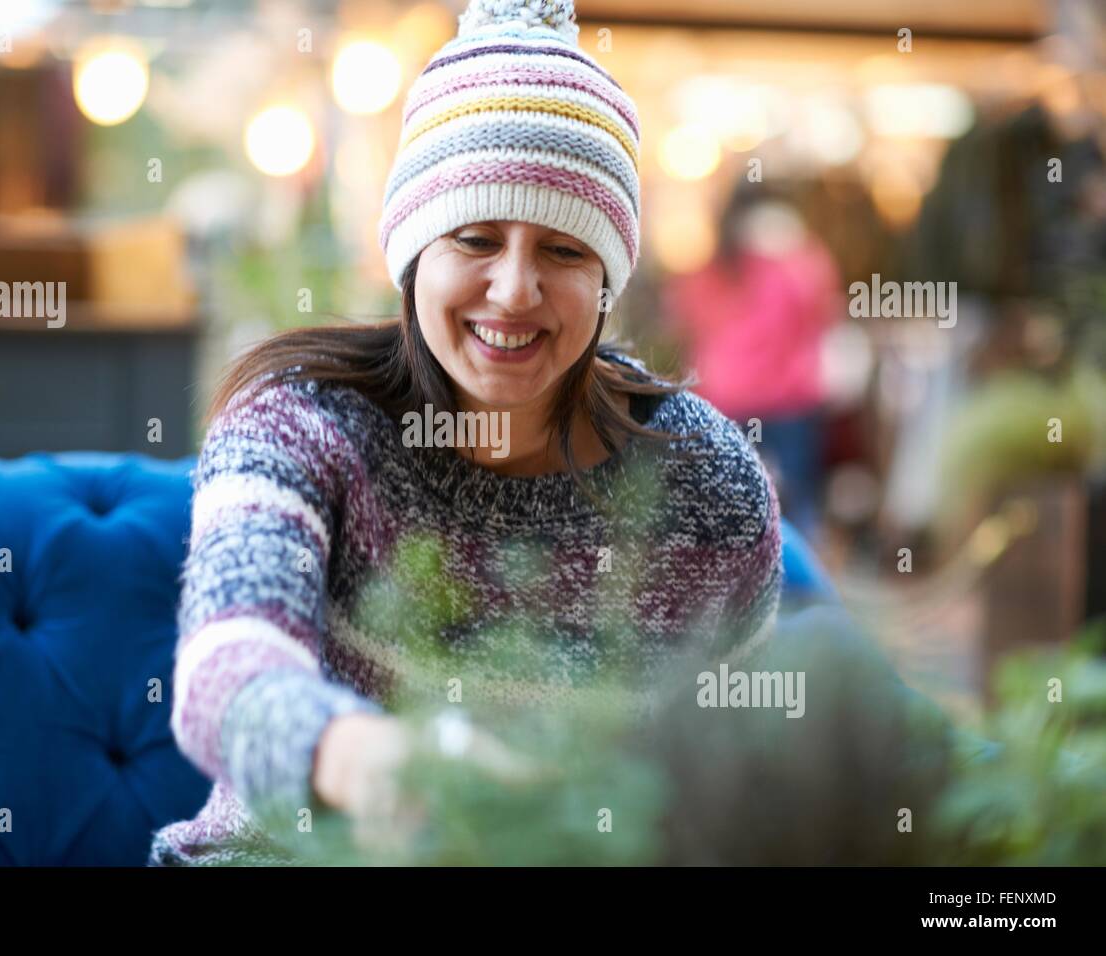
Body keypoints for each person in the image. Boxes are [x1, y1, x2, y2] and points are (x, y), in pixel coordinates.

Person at [148, 0, 782, 866]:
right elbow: (226, 676)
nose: (515, 289)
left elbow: (736, 765)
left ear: (608, 279)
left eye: (564, 251)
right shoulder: (301, 425)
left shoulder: (703, 483)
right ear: (414, 256)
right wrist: (368, 763)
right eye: (477, 238)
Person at [665, 185, 840, 542]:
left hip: (727, 399)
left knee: (728, 506)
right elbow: (823, 311)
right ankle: (802, 588)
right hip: (790, 400)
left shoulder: (714, 266)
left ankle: (742, 590)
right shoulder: (798, 260)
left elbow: (682, 319)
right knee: (798, 502)